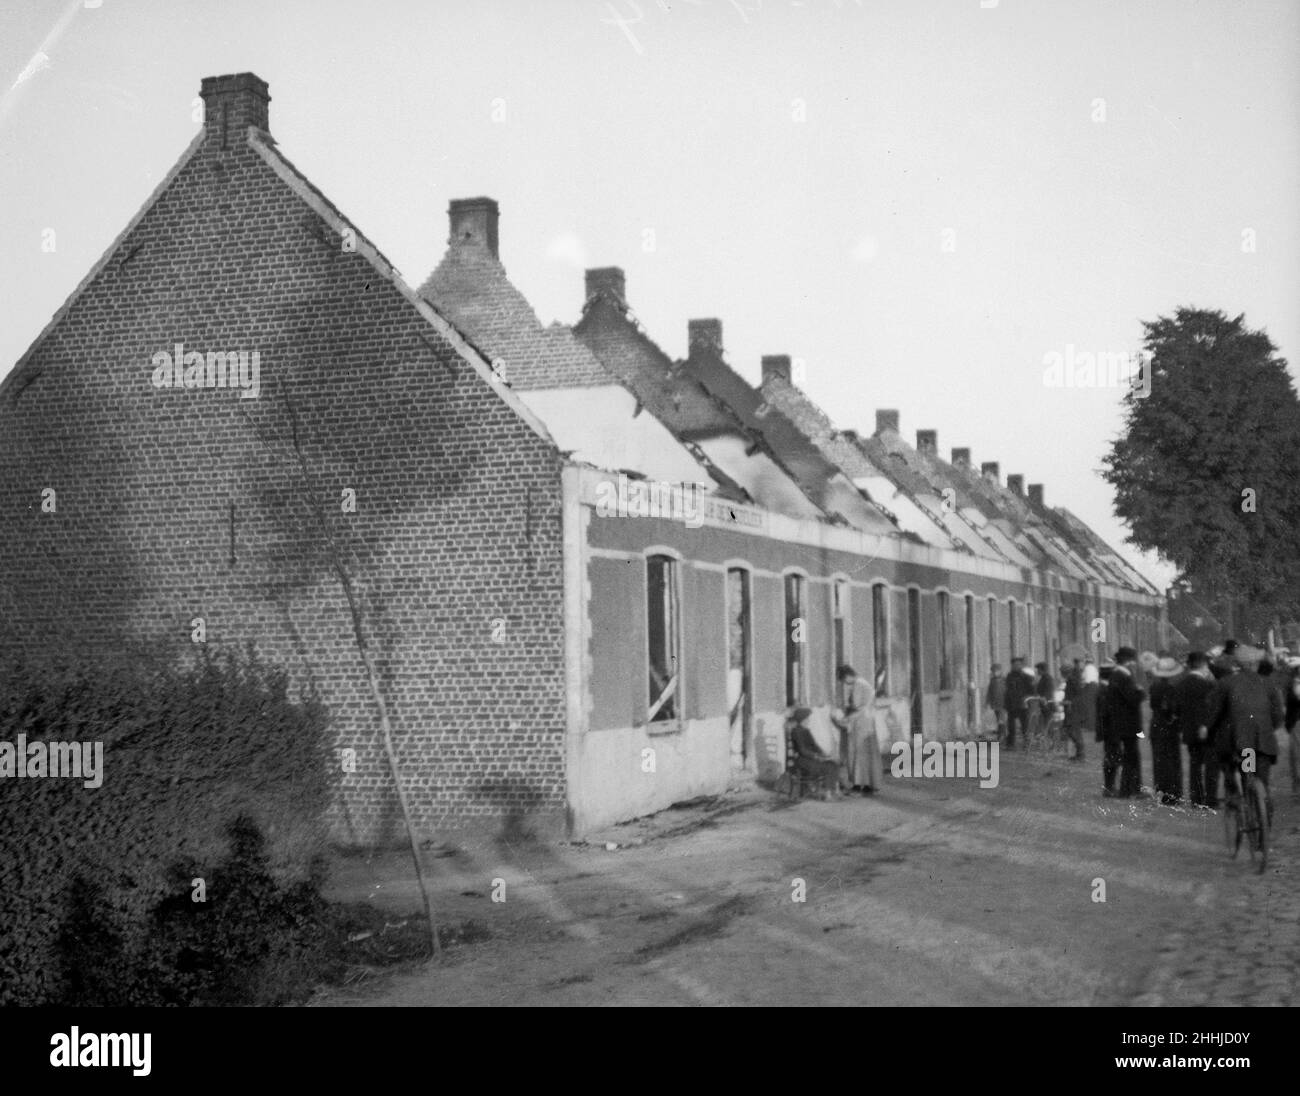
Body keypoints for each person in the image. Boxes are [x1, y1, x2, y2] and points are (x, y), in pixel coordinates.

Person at [1201, 645, 1282, 821]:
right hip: (1265, 743)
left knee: (1246, 777)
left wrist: (1207, 727)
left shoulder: (1227, 682)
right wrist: (1268, 729)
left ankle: (1245, 808)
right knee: (1263, 783)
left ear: (1239, 664)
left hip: (1245, 744)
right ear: (1257, 664)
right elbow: (1277, 716)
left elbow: (1214, 711)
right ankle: (1263, 832)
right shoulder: (1268, 683)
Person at [1173, 652, 1218, 806]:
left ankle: (1196, 799)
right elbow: (1214, 708)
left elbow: (1176, 709)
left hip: (1190, 731)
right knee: (1211, 766)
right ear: (1203, 665)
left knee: (1195, 765)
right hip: (1209, 730)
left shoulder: (1180, 684)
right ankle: (1211, 799)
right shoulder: (1209, 685)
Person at [831, 664, 883, 794]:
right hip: (866, 722)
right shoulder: (862, 683)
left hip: (861, 723)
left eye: (844, 680)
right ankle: (868, 783)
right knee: (866, 754)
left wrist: (846, 716)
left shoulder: (859, 685)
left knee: (858, 753)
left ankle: (860, 784)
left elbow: (858, 706)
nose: (845, 684)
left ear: (848, 676)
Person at [1105, 647, 1146, 798]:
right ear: (1128, 660)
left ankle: (1132, 789)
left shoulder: (1117, 675)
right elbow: (1132, 698)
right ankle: (1128, 789)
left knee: (1130, 756)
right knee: (1131, 757)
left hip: (1121, 723)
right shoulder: (1124, 676)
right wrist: (1140, 692)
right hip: (1129, 724)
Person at [786, 707, 847, 799]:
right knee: (828, 767)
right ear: (802, 719)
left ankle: (834, 791)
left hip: (810, 758)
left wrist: (824, 754)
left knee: (833, 763)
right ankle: (828, 794)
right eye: (807, 719)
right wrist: (817, 757)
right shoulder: (796, 731)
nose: (808, 720)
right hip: (802, 760)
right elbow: (802, 750)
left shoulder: (806, 730)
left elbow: (814, 745)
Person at [1148, 655, 1184, 804]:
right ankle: (1172, 794)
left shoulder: (1154, 687)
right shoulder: (1171, 689)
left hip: (1155, 726)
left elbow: (1152, 706)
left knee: (1159, 762)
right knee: (1171, 762)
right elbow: (1172, 709)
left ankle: (1160, 792)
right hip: (1168, 728)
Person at [1064, 660, 1098, 762]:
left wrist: (1070, 702)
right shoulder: (1074, 679)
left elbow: (1079, 694)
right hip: (1073, 707)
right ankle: (1079, 753)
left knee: (1073, 730)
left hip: (1074, 708)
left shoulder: (1073, 679)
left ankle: (1080, 754)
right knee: (1072, 730)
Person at [1004, 656, 1033, 749]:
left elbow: (1031, 689)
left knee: (1025, 725)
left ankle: (1027, 744)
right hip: (1011, 704)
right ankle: (1010, 744)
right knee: (1011, 726)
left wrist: (1028, 698)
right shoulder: (1009, 676)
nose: (1016, 666)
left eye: (1018, 664)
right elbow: (1008, 690)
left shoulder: (1026, 677)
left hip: (1022, 704)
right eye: (1014, 665)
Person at [1286, 659, 1300, 795]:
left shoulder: (1294, 685)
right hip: (1296, 723)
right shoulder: (1294, 685)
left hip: (1297, 723)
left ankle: (1297, 789)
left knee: (1296, 757)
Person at [985, 663, 1007, 742]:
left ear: (1000, 671)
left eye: (996, 671)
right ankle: (1002, 734)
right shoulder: (992, 681)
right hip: (995, 703)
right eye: (993, 671)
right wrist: (987, 701)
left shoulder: (1004, 680)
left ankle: (1001, 735)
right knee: (999, 719)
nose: (995, 672)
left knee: (1001, 719)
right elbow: (989, 692)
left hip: (1003, 703)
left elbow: (1007, 691)